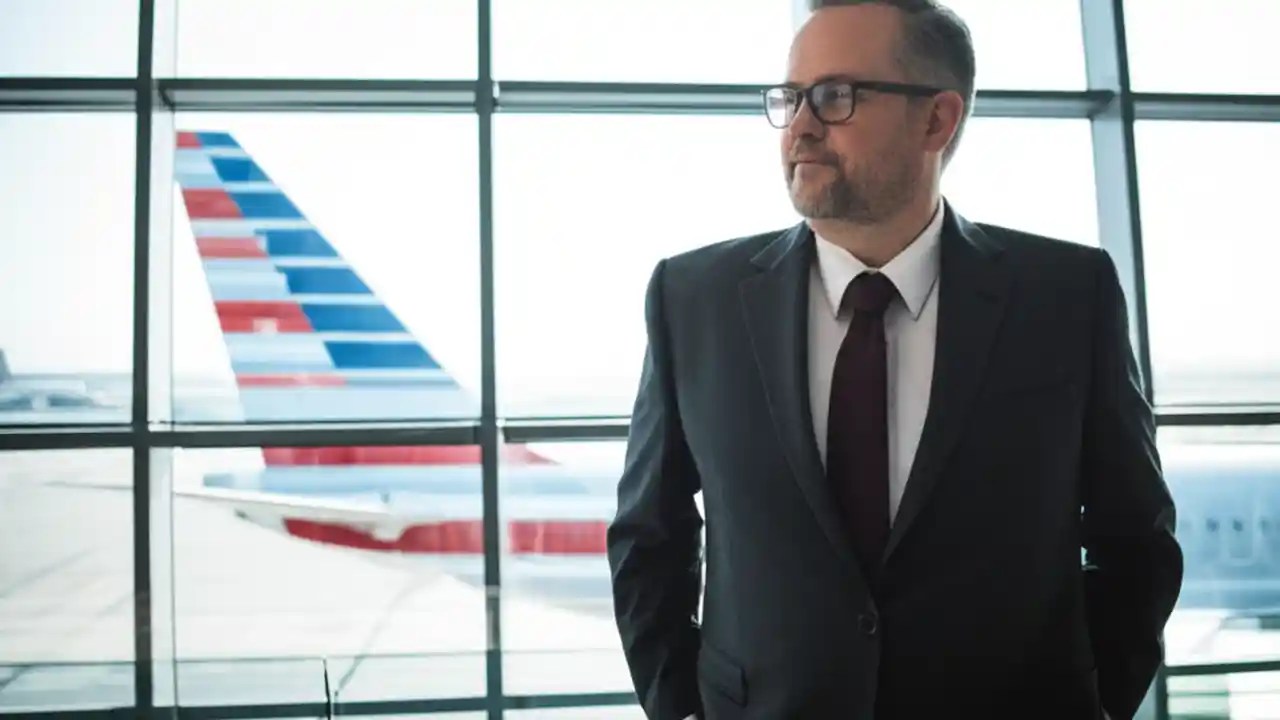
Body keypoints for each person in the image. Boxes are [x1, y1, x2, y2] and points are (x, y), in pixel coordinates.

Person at [605, 1, 1184, 718]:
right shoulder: (694, 299)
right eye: (790, 97)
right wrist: (679, 708)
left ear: (937, 120)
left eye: (835, 96)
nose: (800, 126)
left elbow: (1136, 541)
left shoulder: (1065, 298)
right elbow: (649, 537)